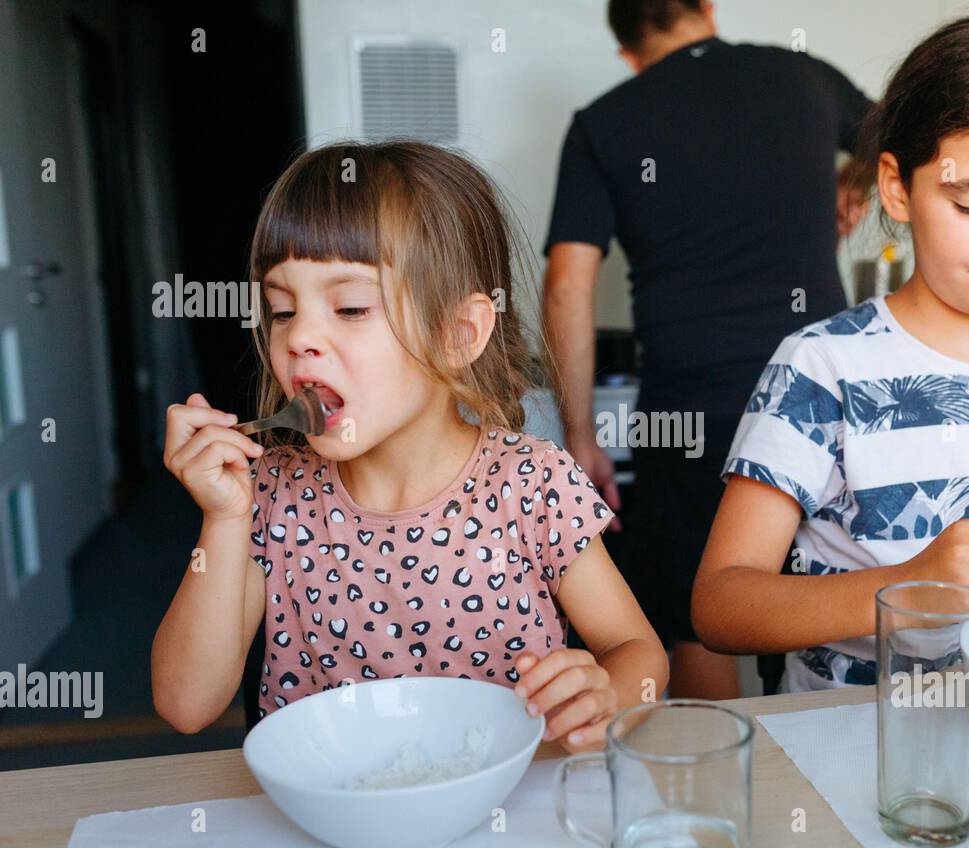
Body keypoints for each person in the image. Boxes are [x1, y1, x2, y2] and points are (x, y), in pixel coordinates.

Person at [154, 141, 667, 749]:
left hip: (505, 814)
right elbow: (187, 705)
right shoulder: (270, 494)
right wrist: (222, 516)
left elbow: (639, 653)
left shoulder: (530, 483)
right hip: (334, 829)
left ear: (459, 334)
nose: (299, 338)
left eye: (349, 307)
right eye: (282, 309)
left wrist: (605, 695)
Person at [692, 14, 969, 692]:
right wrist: (911, 587)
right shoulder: (823, 368)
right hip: (856, 759)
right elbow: (721, 605)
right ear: (897, 188)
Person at [543, 0, 871, 698]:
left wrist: (579, 437)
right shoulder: (804, 77)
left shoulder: (605, 121)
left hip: (690, 409)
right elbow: (909, 135)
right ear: (707, 9)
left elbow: (566, 286)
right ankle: (820, 789)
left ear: (628, 50)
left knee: (699, 614)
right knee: (831, 591)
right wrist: (859, 178)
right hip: (824, 394)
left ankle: (725, 795)